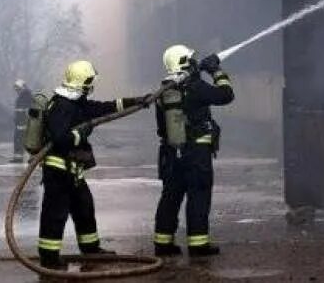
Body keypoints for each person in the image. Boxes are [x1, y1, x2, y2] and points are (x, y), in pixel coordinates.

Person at [37, 60, 153, 269]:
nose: (92, 85)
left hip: (72, 171)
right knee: (55, 215)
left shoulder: (76, 103)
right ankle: (48, 258)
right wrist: (81, 132)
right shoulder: (62, 105)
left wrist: (136, 101)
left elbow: (103, 107)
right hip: (58, 171)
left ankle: (90, 249)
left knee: (84, 208)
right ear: (82, 81)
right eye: (90, 81)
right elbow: (59, 138)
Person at [152, 45, 234, 257]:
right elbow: (226, 95)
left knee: (170, 196)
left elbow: (162, 127)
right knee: (198, 195)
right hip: (196, 153)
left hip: (171, 153)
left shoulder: (165, 89)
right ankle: (198, 245)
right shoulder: (194, 86)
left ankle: (163, 243)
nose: (194, 62)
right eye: (190, 59)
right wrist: (216, 71)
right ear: (183, 63)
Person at [12, 79, 32, 163]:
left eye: (18, 89)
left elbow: (25, 111)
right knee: (19, 141)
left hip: (23, 124)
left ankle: (24, 158)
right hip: (20, 124)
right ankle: (18, 158)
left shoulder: (25, 97)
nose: (17, 91)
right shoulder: (23, 96)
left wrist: (21, 122)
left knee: (22, 141)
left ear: (22, 88)